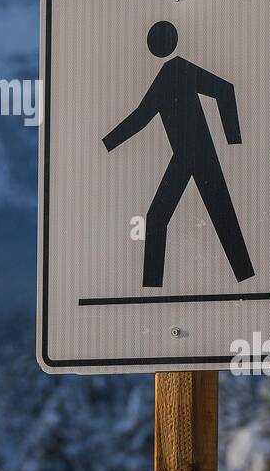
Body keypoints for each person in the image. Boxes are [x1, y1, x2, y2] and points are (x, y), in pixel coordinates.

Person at [102, 21, 256, 287]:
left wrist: (234, 139)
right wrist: (108, 143)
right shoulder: (165, 75)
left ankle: (154, 286)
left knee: (207, 215)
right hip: (186, 155)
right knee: (174, 216)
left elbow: (224, 90)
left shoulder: (177, 69)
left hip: (198, 152)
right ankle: (153, 288)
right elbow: (141, 117)